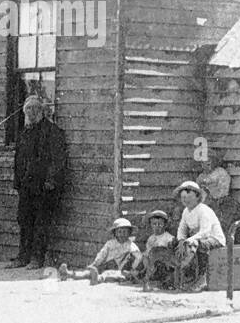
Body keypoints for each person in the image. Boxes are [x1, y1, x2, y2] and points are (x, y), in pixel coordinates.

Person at [10, 94, 68, 270]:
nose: (31, 112)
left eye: (35, 109)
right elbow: (19, 160)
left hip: (44, 186)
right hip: (26, 186)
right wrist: (17, 182)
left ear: (42, 111)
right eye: (28, 109)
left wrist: (51, 180)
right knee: (24, 220)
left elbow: (58, 159)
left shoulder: (52, 131)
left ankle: (37, 258)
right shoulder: (24, 133)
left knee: (41, 222)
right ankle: (23, 256)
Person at [174, 179, 225, 292]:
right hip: (196, 240)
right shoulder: (186, 212)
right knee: (182, 246)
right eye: (183, 198)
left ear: (197, 197)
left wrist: (189, 240)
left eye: (189, 197)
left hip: (214, 239)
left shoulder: (203, 210)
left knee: (198, 245)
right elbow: (181, 229)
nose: (186, 200)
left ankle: (203, 278)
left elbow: (205, 231)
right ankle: (187, 278)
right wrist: (181, 240)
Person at [59, 217, 142, 285]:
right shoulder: (110, 243)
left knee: (110, 275)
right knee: (88, 272)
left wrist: (133, 269)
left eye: (125, 232)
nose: (122, 234)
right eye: (119, 231)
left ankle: (97, 279)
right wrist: (95, 264)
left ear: (129, 233)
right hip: (107, 265)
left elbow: (138, 257)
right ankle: (69, 274)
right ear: (115, 233)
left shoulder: (131, 246)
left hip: (120, 270)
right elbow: (102, 254)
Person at [140, 209, 178, 286]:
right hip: (151, 264)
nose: (157, 226)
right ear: (150, 225)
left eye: (160, 224)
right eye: (154, 224)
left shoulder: (169, 238)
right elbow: (148, 251)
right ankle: (146, 275)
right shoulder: (151, 238)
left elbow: (170, 255)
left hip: (165, 264)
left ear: (165, 225)